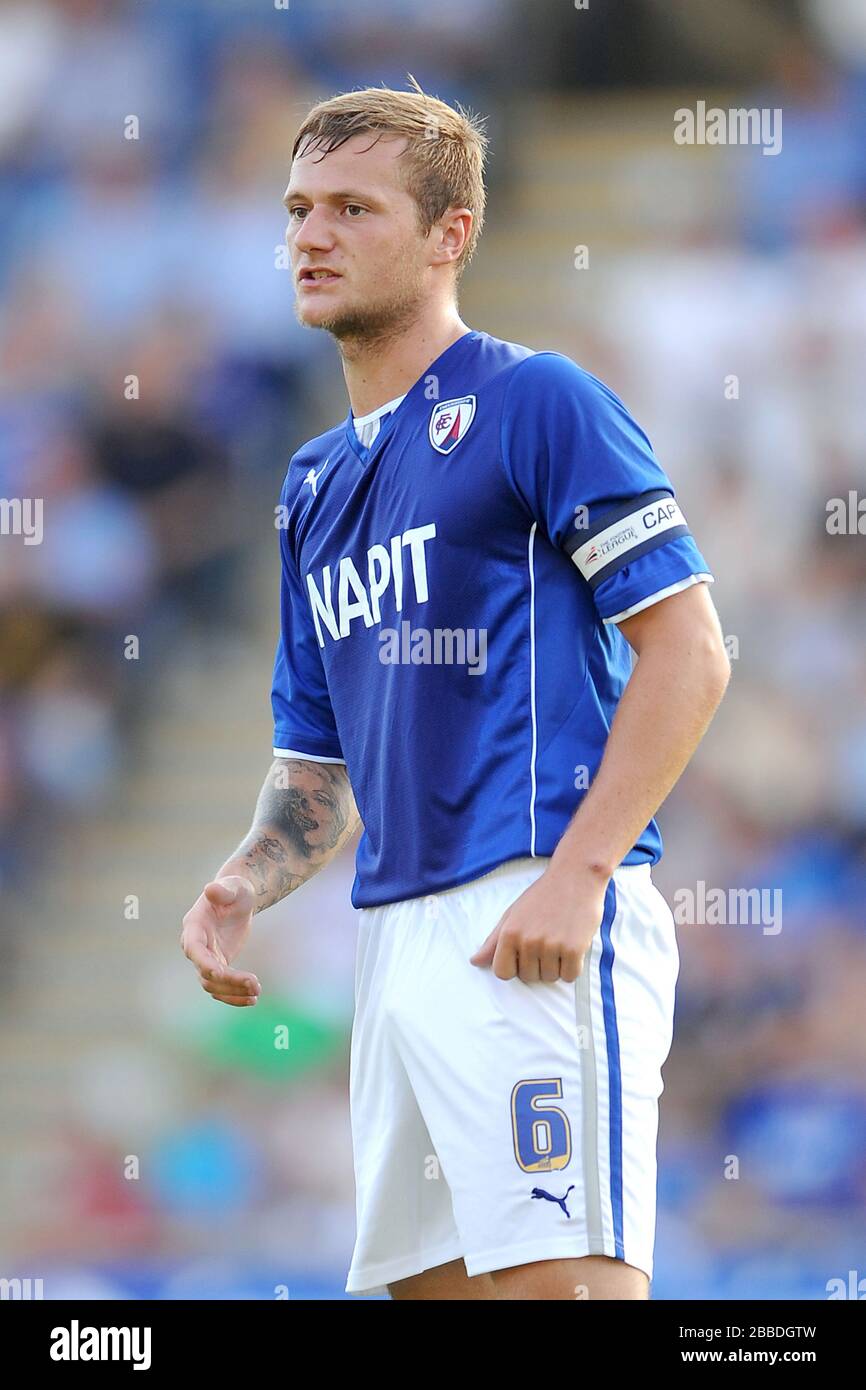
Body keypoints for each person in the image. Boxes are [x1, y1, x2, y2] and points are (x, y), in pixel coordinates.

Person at [180, 80, 730, 1301]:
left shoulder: (537, 400)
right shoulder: (311, 484)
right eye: (297, 209)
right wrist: (246, 876)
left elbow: (688, 649)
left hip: (529, 891)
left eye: (351, 209)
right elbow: (317, 761)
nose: (309, 237)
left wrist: (579, 875)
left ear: (451, 235)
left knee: (564, 1293)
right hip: (394, 935)